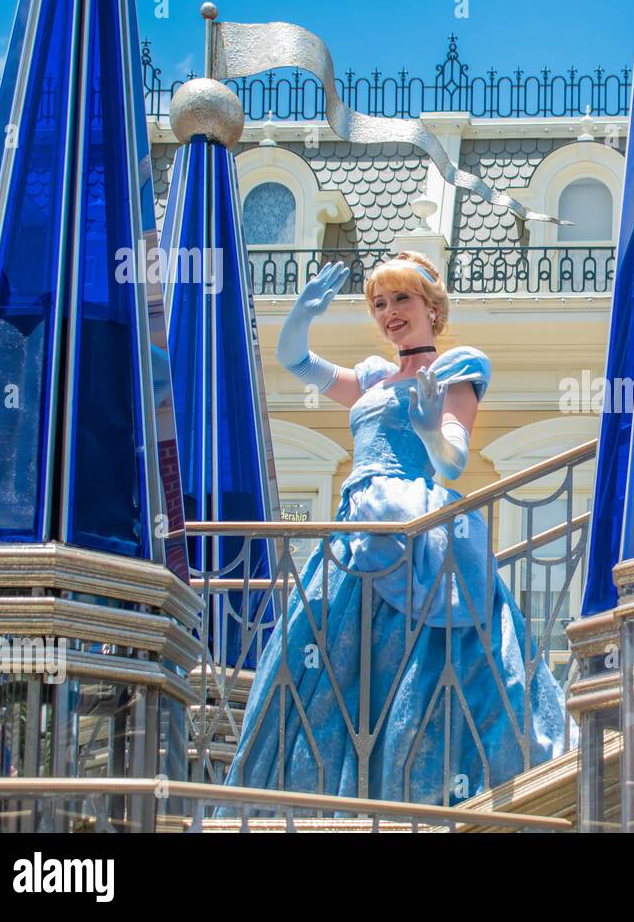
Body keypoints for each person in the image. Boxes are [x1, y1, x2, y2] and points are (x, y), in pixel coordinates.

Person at [224, 252, 569, 805]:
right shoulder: (371, 377)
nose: (389, 313)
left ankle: (423, 789)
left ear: (432, 307)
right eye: (379, 303)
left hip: (415, 528)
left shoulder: (458, 367)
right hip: (355, 535)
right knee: (325, 665)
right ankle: (332, 797)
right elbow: (296, 361)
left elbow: (453, 462)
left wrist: (433, 430)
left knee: (419, 664)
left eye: (401, 299)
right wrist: (301, 316)